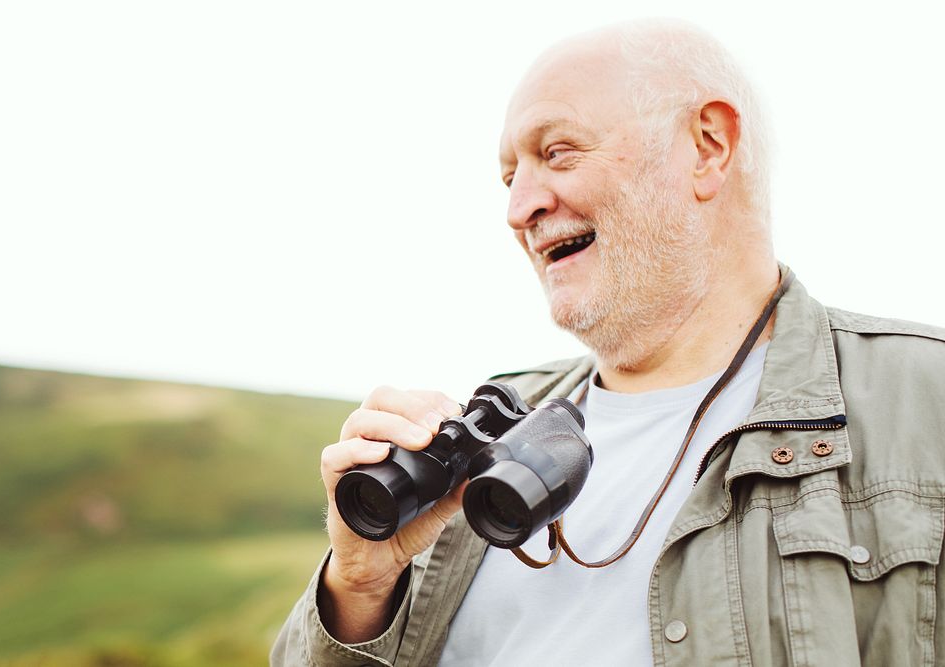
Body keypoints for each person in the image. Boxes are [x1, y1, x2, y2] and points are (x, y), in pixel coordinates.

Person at [272, 19, 945, 666]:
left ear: (708, 145)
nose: (518, 208)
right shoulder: (477, 440)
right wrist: (358, 587)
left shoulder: (923, 399)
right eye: (510, 177)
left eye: (557, 151)